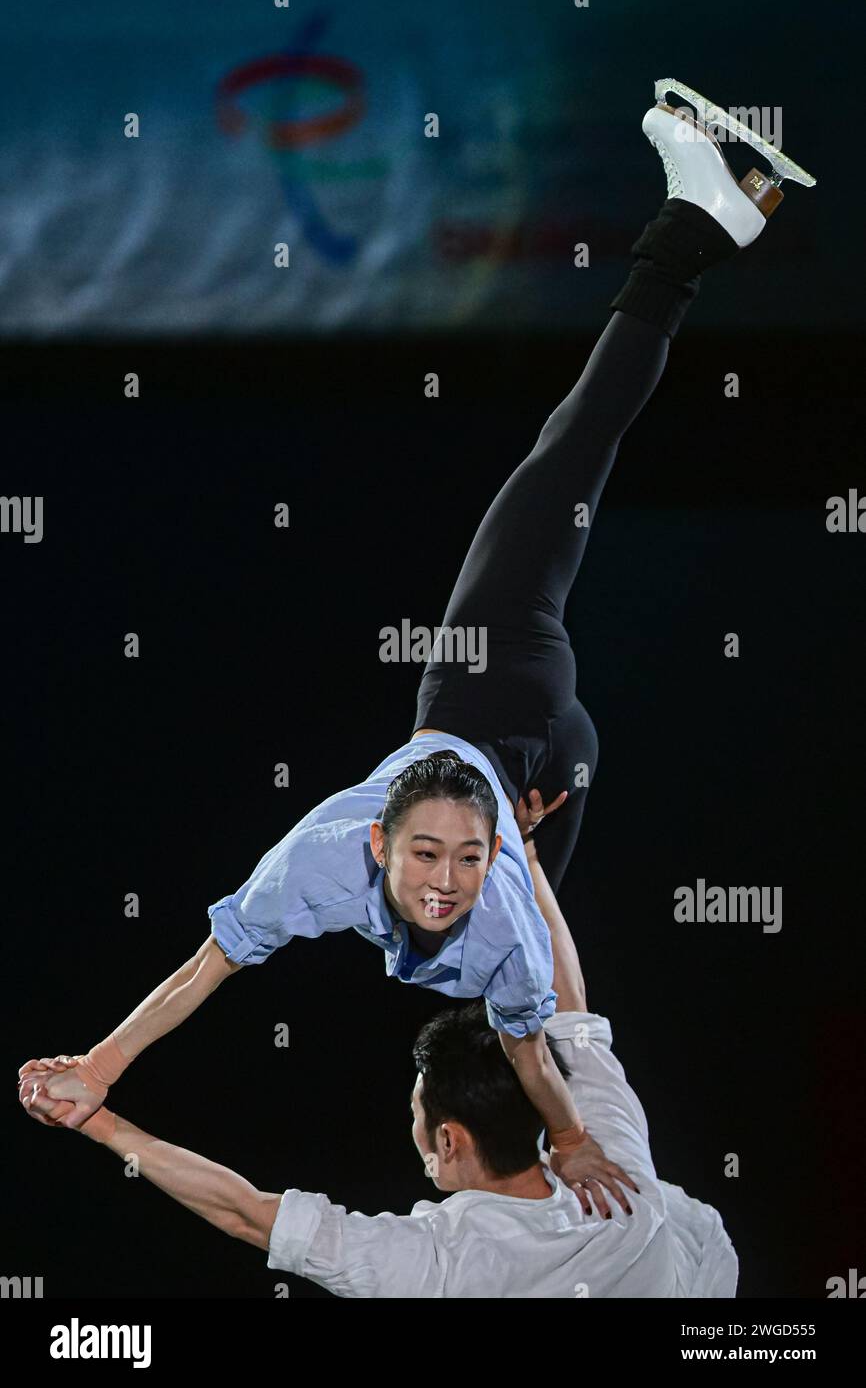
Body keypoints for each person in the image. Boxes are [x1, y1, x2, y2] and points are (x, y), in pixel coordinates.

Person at [18, 85, 809, 1206]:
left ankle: (703, 224)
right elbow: (537, 1045)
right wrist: (574, 1138)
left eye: (452, 860)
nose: (440, 884)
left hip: (503, 721)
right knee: (564, 452)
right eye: (437, 860)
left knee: (565, 457)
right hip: (525, 714)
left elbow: (199, 975)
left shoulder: (314, 864)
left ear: (369, 837)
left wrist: (98, 1068)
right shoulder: (494, 925)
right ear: (403, 844)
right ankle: (688, 232)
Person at [19, 789, 738, 1298]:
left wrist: (102, 1121)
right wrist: (524, 860)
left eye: (419, 1122)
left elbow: (244, 1211)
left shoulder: (442, 1265)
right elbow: (569, 1005)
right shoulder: (614, 1170)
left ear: (449, 1141)